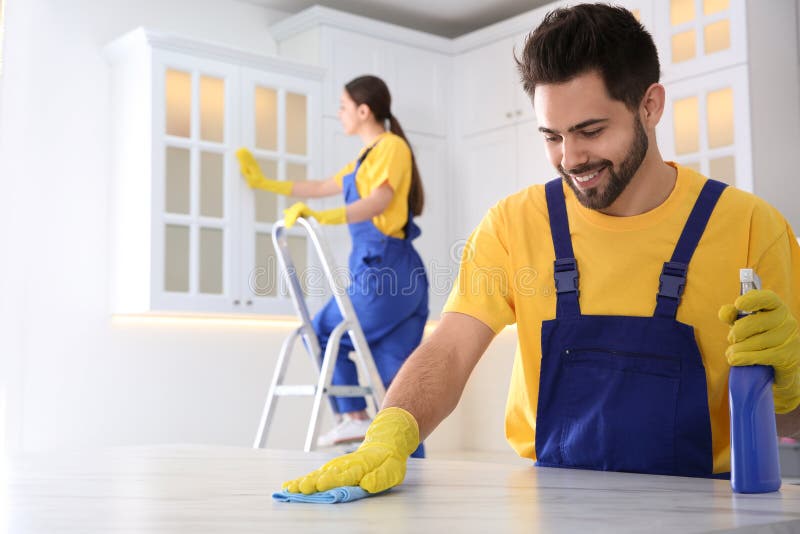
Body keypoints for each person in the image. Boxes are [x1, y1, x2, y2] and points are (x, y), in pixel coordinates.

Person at [280, 3, 800, 496]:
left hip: (708, 510)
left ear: (650, 105)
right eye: (551, 136)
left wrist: (792, 387)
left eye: (590, 130)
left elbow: (790, 419)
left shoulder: (750, 229)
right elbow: (450, 349)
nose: (570, 158)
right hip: (552, 504)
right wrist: (392, 431)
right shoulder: (515, 225)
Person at [237, 75, 429, 457]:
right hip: (393, 275)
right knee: (394, 386)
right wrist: (263, 183)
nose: (339, 113)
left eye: (343, 106)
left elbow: (380, 200)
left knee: (322, 332)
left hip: (386, 272)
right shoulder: (364, 159)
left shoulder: (391, 147)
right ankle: (411, 467)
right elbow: (318, 187)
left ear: (364, 110)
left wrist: (323, 218)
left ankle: (354, 416)